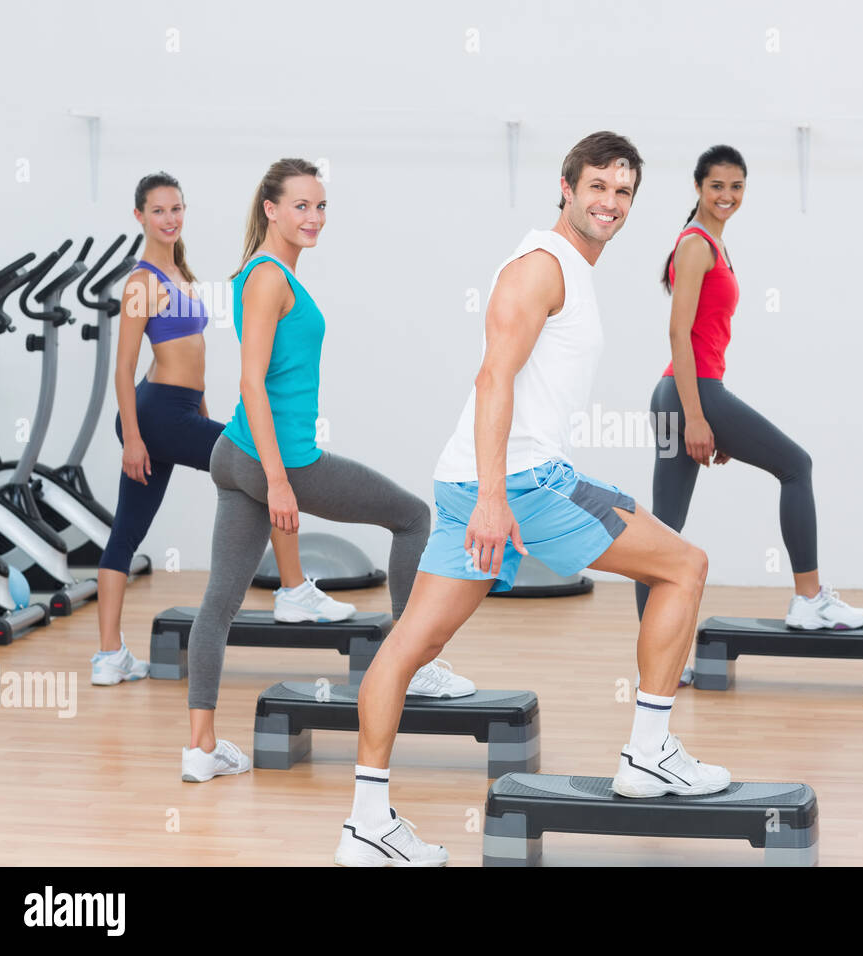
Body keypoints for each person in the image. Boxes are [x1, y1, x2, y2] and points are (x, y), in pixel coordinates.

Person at [337, 132, 730, 867]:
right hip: (516, 483)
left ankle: (365, 823)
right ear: (566, 186)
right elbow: (493, 380)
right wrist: (494, 499)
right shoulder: (541, 269)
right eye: (597, 188)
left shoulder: (569, 269)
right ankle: (648, 753)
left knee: (412, 646)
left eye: (623, 192)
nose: (609, 203)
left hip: (474, 478)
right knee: (685, 566)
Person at [181, 159, 473, 783]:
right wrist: (282, 479)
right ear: (270, 208)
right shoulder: (267, 279)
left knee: (218, 605)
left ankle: (201, 750)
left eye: (320, 207)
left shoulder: (269, 273)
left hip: (236, 456)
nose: (312, 218)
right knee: (413, 516)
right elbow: (251, 383)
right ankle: (412, 661)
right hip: (276, 459)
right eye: (300, 206)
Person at [91, 171, 356, 687]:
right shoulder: (141, 282)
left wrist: (206, 407)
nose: (169, 219)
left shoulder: (182, 274)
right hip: (155, 415)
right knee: (261, 460)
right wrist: (135, 438)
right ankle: (294, 589)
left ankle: (109, 656)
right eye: (158, 211)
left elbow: (195, 355)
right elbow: (124, 367)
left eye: (176, 209)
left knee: (126, 529)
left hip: (180, 411)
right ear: (139, 217)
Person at [635, 145, 863, 632]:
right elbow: (679, 333)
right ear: (698, 187)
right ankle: (809, 599)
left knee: (663, 529)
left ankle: (653, 654)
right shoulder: (696, 244)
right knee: (796, 465)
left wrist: (709, 419)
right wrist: (700, 418)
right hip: (688, 392)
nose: (727, 195)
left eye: (736, 187)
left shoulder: (710, 244)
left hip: (679, 393)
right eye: (717, 186)